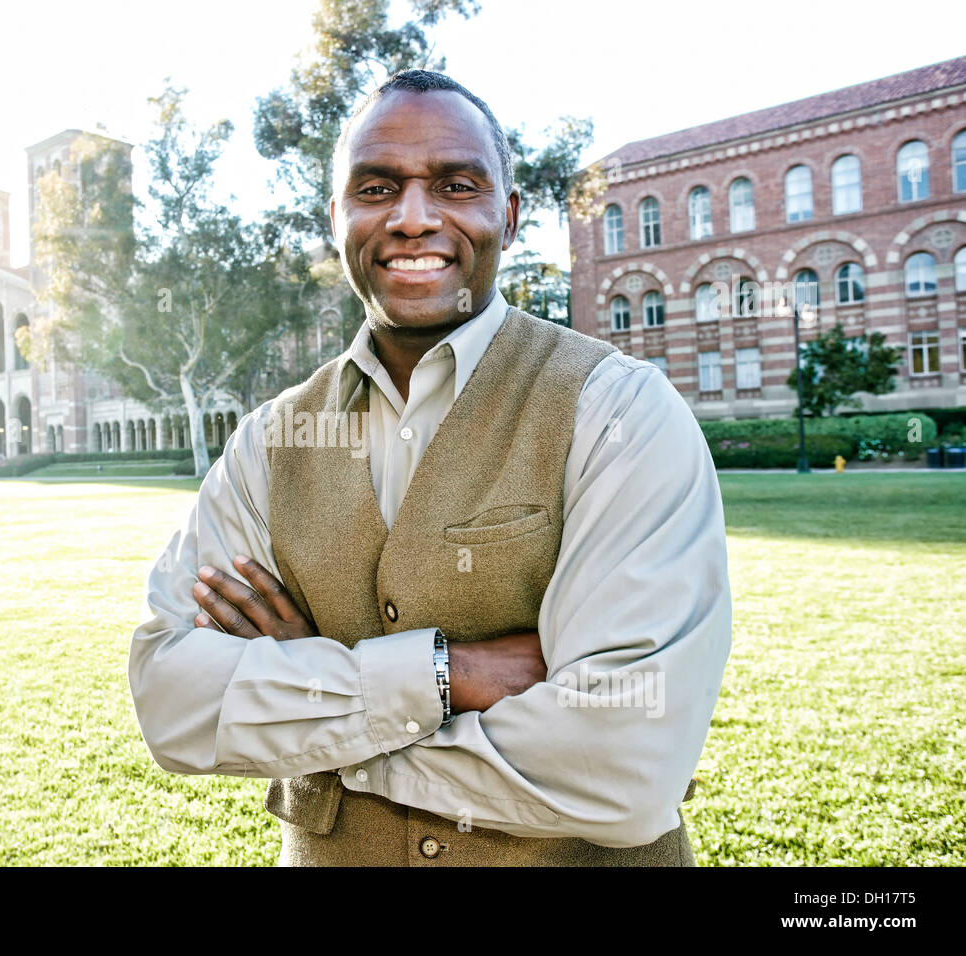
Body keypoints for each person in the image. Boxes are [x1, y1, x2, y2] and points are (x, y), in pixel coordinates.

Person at [128, 70, 732, 866]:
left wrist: (321, 722)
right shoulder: (268, 443)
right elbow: (173, 701)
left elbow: (624, 759)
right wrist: (451, 675)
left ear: (508, 217)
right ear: (335, 217)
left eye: (456, 184)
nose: (414, 219)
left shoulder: (619, 411)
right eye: (376, 187)